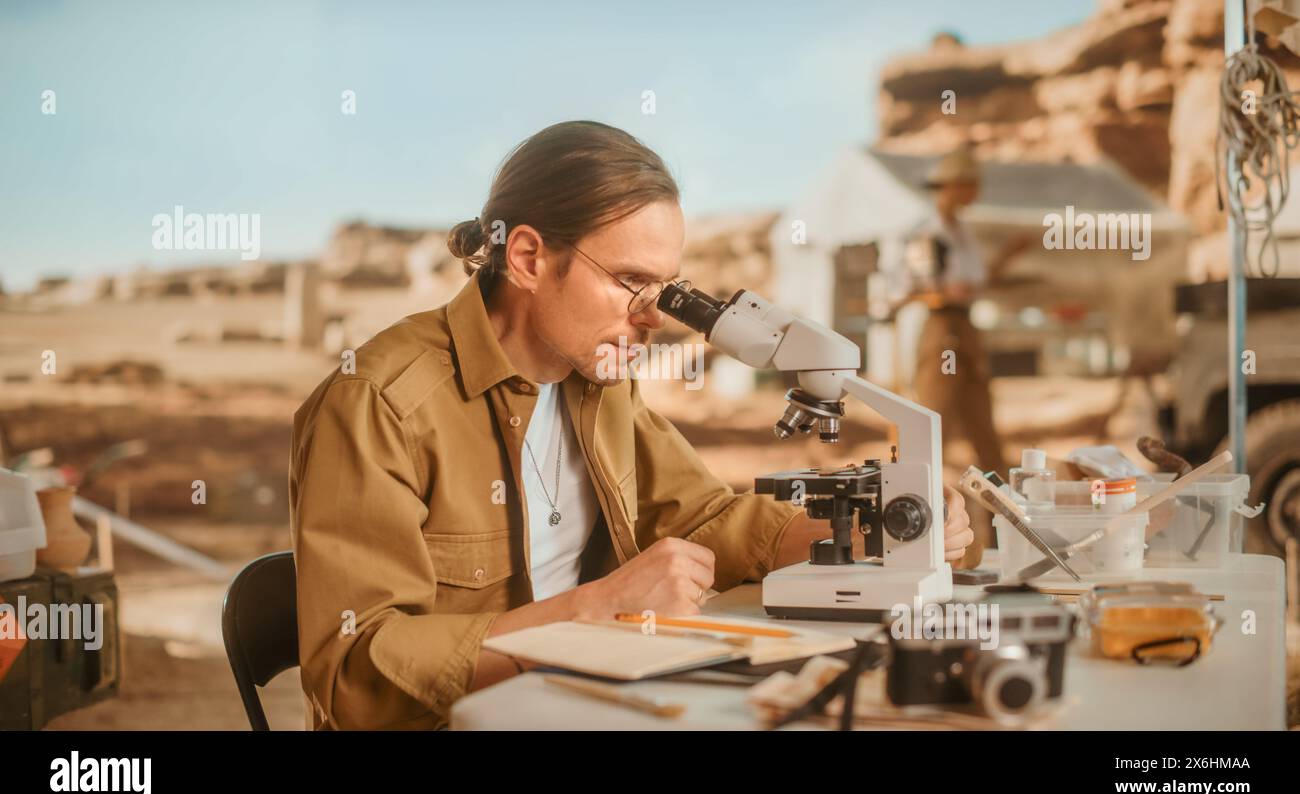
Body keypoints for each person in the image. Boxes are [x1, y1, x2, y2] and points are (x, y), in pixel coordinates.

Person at [288, 121, 976, 730]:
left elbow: (702, 518)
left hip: (590, 698)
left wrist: (865, 529)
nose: (653, 317)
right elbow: (354, 679)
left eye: (664, 289)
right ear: (528, 257)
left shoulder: (600, 380)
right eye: (629, 281)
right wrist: (597, 609)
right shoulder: (378, 404)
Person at [903, 145, 1031, 478]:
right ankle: (917, 492)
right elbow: (912, 285)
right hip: (941, 328)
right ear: (954, 185)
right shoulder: (926, 231)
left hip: (965, 328)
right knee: (934, 418)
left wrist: (1007, 255)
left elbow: (978, 282)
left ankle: (999, 511)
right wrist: (945, 291)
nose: (976, 191)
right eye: (971, 184)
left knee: (982, 421)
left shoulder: (961, 232)